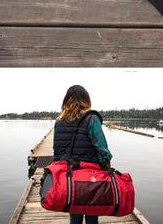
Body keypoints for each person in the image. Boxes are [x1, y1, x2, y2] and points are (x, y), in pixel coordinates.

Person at [53, 85, 113, 224]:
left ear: (66, 100)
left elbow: (56, 150)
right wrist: (107, 165)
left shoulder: (59, 121)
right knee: (92, 212)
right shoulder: (91, 118)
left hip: (69, 174)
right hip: (90, 175)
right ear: (86, 99)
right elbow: (102, 148)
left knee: (74, 212)